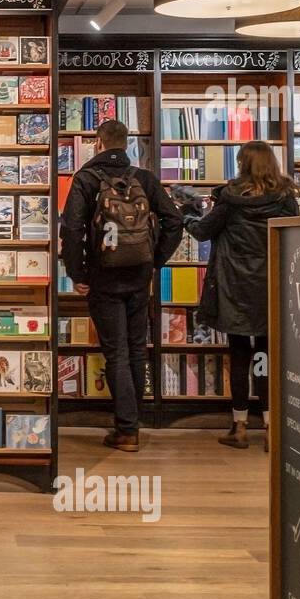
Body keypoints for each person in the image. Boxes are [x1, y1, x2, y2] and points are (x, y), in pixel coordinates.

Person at [61, 117, 183, 452]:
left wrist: (78, 274)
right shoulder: (143, 178)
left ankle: (127, 430)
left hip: (103, 277)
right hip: (139, 277)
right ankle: (133, 423)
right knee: (136, 349)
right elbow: (175, 221)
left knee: (116, 352)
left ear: (98, 143)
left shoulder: (86, 178)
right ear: (126, 144)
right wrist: (155, 260)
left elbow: (71, 230)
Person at [182, 140, 299, 449]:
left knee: (238, 355)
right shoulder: (286, 197)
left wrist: (187, 214)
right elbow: (297, 236)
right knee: (265, 355)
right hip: (270, 284)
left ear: (242, 164)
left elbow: (202, 231)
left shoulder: (231, 198)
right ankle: (272, 427)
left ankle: (240, 426)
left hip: (234, 285)